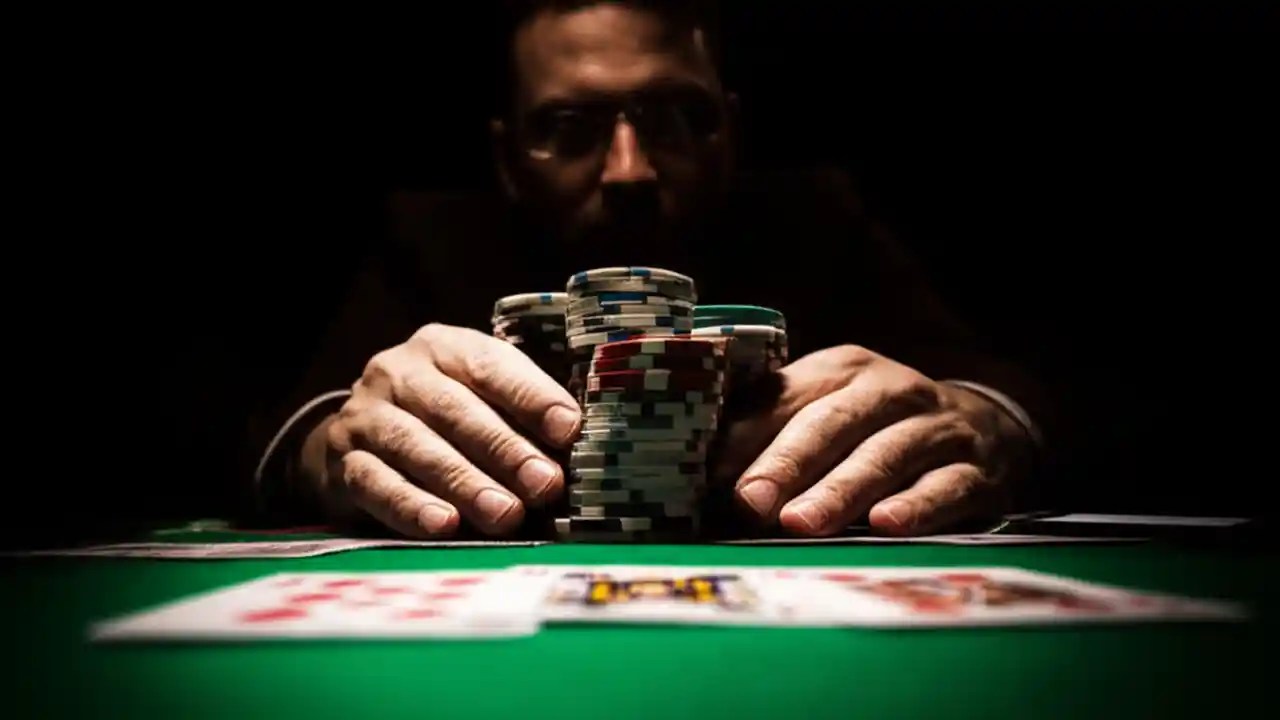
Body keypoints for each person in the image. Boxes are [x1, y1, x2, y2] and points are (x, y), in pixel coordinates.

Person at [246, 0, 1052, 540]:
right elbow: (285, 427)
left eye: (675, 117)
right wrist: (325, 449)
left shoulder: (817, 217)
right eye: (568, 125)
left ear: (729, 132)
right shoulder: (431, 236)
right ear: (504, 157)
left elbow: (1009, 393)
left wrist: (982, 424)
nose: (629, 170)